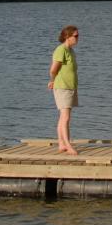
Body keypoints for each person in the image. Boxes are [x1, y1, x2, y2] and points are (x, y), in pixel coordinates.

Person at [48, 24, 81, 155]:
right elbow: (53, 69)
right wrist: (53, 81)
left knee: (63, 117)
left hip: (70, 86)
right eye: (76, 36)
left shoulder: (71, 51)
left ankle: (61, 143)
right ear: (67, 36)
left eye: (78, 36)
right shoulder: (61, 50)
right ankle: (68, 145)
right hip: (63, 87)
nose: (78, 38)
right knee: (66, 117)